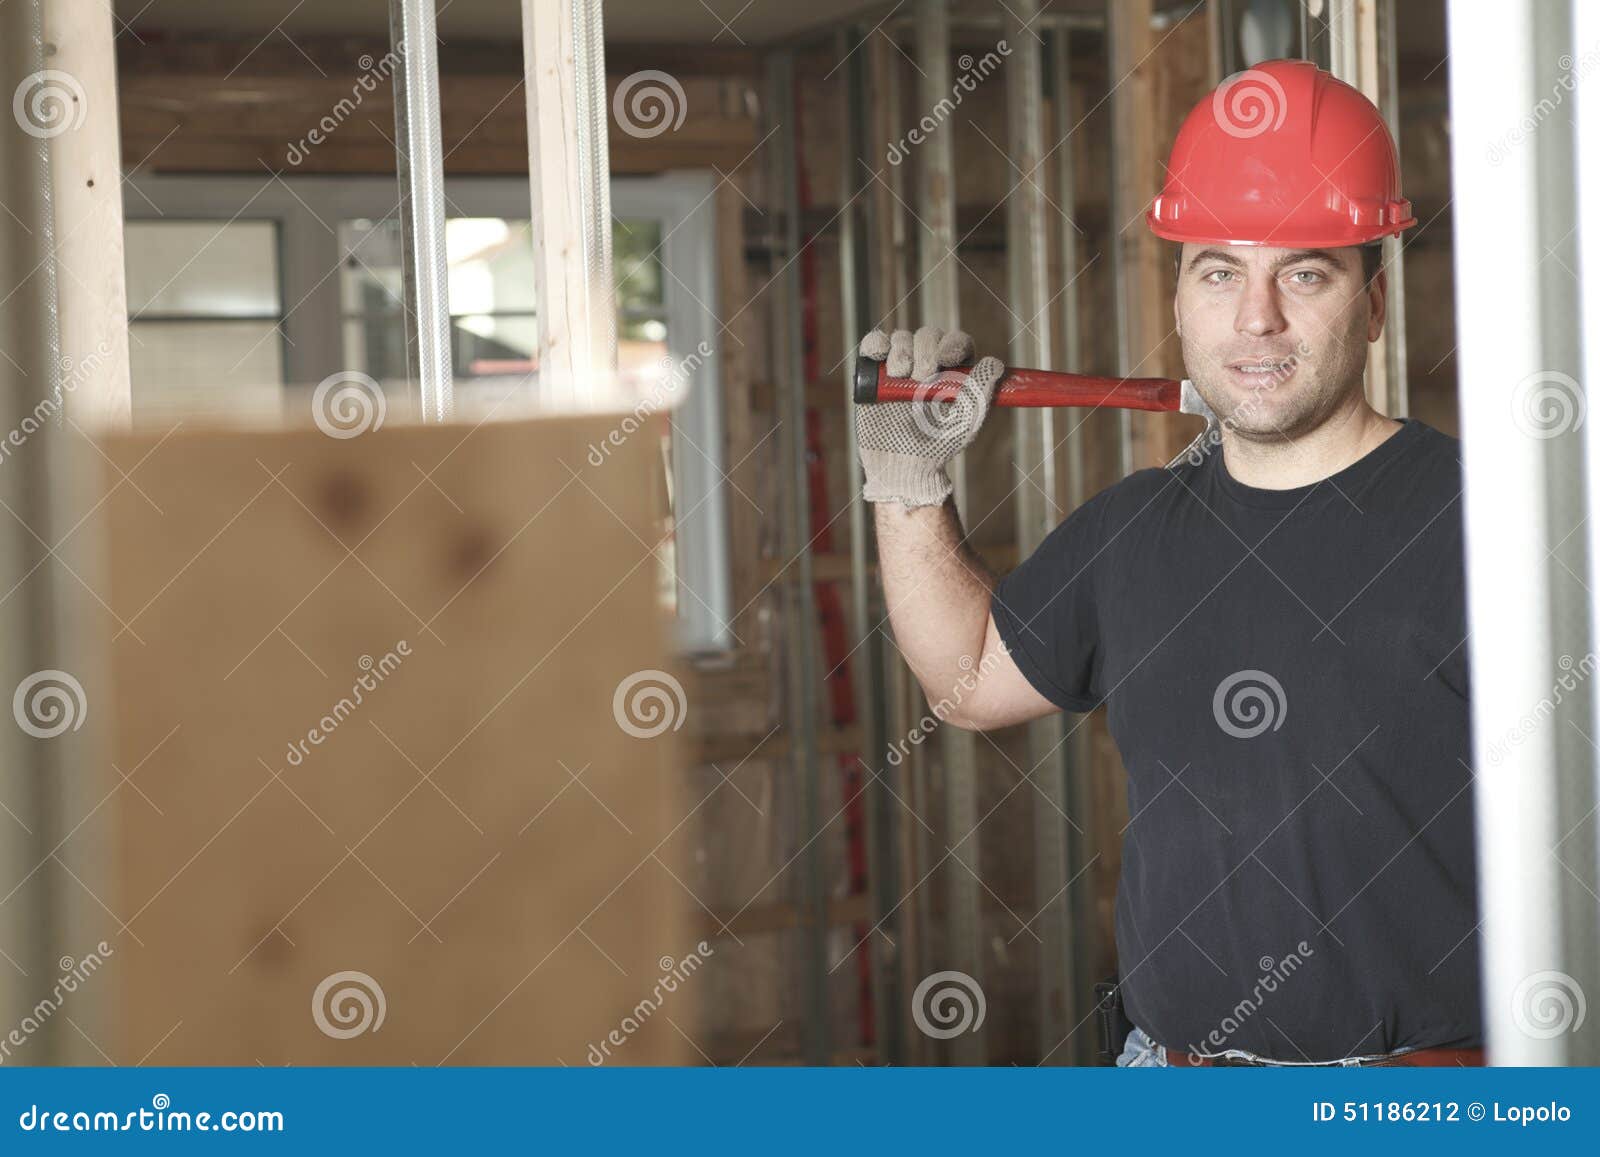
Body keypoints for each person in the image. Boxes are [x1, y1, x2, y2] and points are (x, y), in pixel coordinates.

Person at [855, 59, 1481, 1067]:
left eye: (1304, 272)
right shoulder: (1134, 529)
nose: (1255, 316)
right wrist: (904, 483)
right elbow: (966, 677)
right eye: (1219, 270)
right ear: (1182, 300)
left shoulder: (1488, 527)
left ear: (1370, 304)